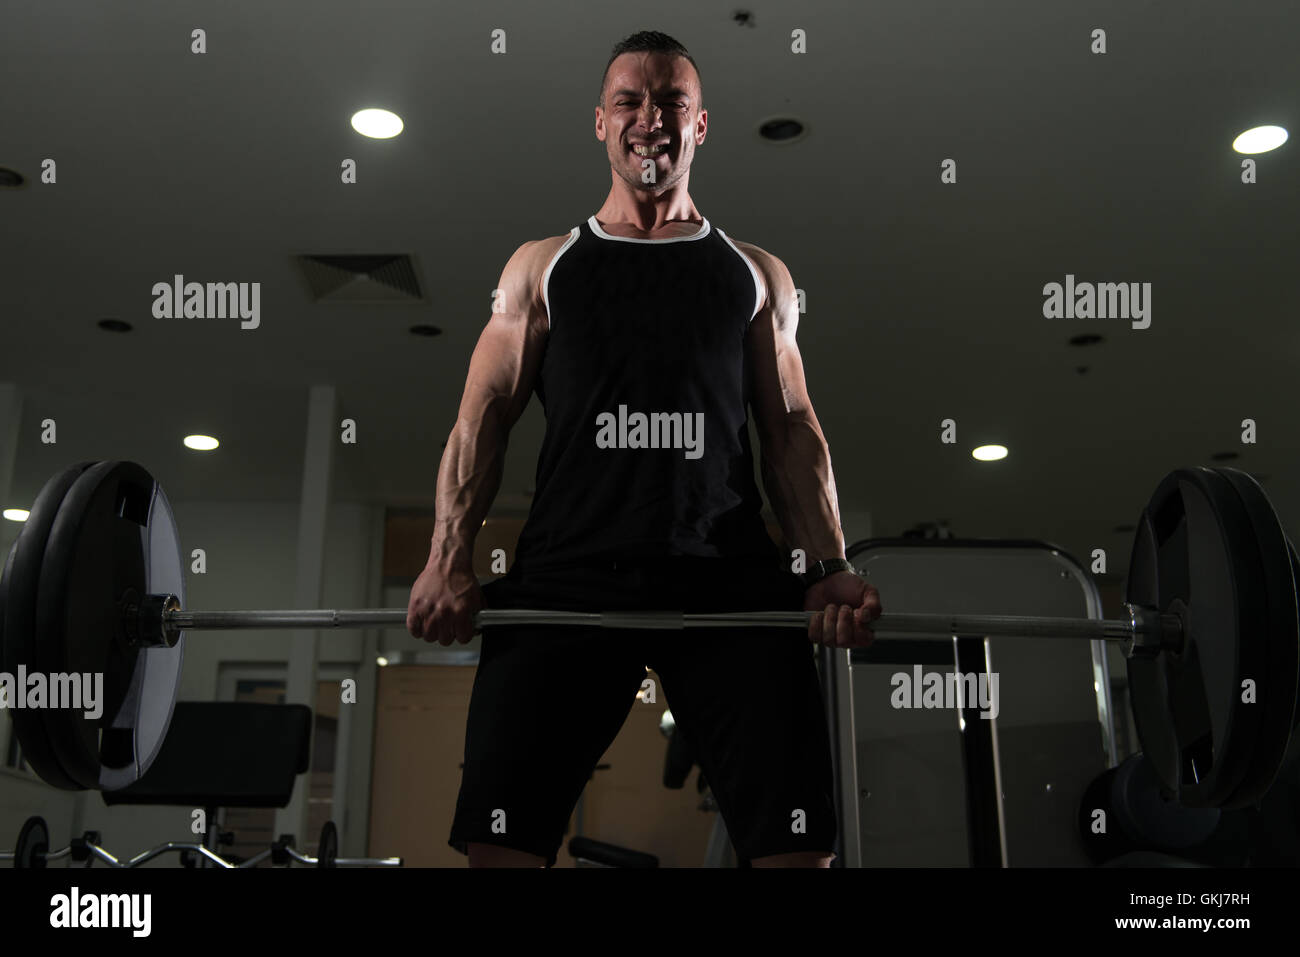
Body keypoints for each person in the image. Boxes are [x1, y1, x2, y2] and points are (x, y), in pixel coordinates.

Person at [407, 30, 881, 868]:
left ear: (702, 126)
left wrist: (827, 564)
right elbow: (479, 418)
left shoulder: (754, 274)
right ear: (600, 122)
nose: (650, 118)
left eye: (672, 102)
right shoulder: (542, 268)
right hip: (568, 573)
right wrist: (449, 557)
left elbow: (792, 431)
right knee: (499, 847)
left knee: (798, 851)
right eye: (630, 101)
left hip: (727, 579)